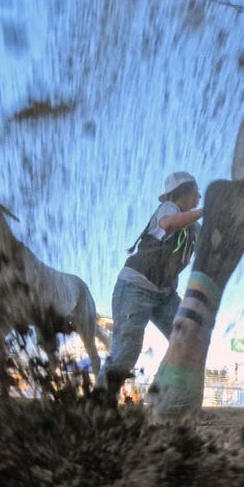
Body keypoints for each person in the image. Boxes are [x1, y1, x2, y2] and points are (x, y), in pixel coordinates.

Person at [94, 172, 203, 401]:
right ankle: (99, 402)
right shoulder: (169, 208)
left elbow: (215, 239)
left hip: (164, 295)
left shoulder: (194, 227)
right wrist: (205, 211)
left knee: (188, 338)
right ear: (185, 191)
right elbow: (169, 224)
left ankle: (165, 394)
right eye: (197, 193)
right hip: (135, 287)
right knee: (127, 348)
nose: (199, 197)